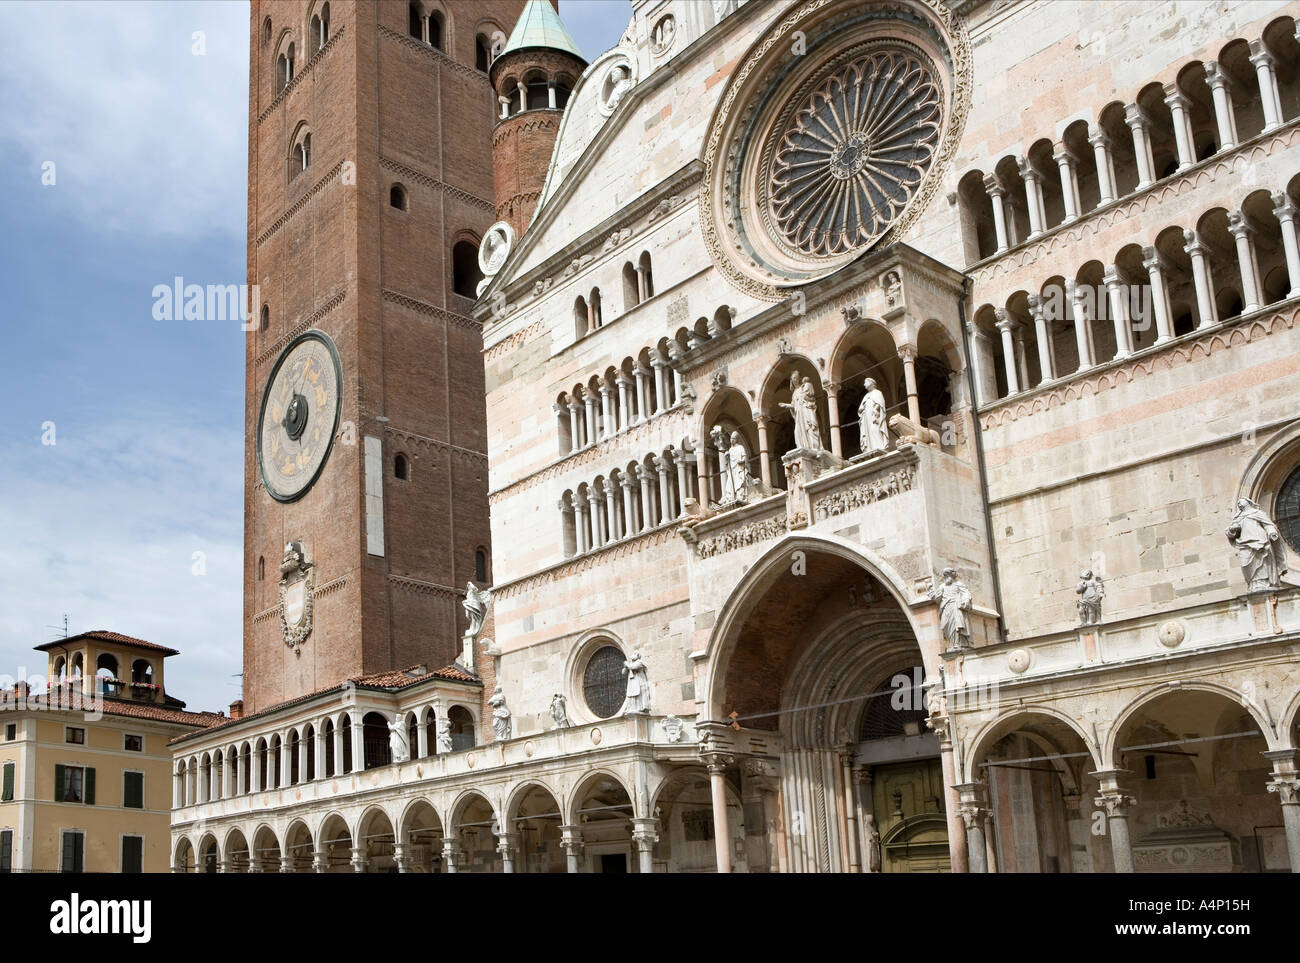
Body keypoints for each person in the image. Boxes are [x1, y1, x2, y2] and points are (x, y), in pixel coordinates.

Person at [1226, 497, 1288, 591]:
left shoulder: (1257, 513)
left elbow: (1268, 524)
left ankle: (1262, 582)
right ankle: (1253, 583)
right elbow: (1231, 531)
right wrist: (1232, 530)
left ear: (1248, 502)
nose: (1239, 503)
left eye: (1241, 501)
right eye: (1238, 502)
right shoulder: (1239, 517)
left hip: (1259, 540)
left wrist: (1271, 532)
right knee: (1245, 564)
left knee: (1262, 561)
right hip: (1245, 543)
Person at [928, 567, 972, 650]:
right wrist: (929, 589)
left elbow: (966, 594)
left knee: (957, 625)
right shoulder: (942, 586)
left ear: (952, 576)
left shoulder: (959, 585)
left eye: (948, 575)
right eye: (945, 576)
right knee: (946, 625)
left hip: (956, 607)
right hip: (946, 608)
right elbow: (936, 597)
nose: (946, 578)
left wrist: (965, 601)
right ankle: (952, 643)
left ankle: (957, 643)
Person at [780, 373, 825, 452]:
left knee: (810, 427)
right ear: (791, 380)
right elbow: (793, 405)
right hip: (799, 415)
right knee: (798, 431)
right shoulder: (794, 393)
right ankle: (804, 446)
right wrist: (786, 405)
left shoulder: (804, 387)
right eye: (794, 378)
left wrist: (806, 391)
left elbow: (810, 396)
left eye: (797, 378)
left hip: (806, 411)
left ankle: (814, 448)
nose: (795, 380)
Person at [858, 377, 889, 455]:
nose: (864, 384)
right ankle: (869, 448)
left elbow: (880, 403)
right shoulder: (866, 396)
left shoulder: (877, 392)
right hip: (866, 418)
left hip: (874, 417)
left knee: (875, 429)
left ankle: (880, 446)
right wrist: (862, 408)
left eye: (865, 382)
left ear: (871, 383)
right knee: (868, 431)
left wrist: (876, 409)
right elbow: (860, 409)